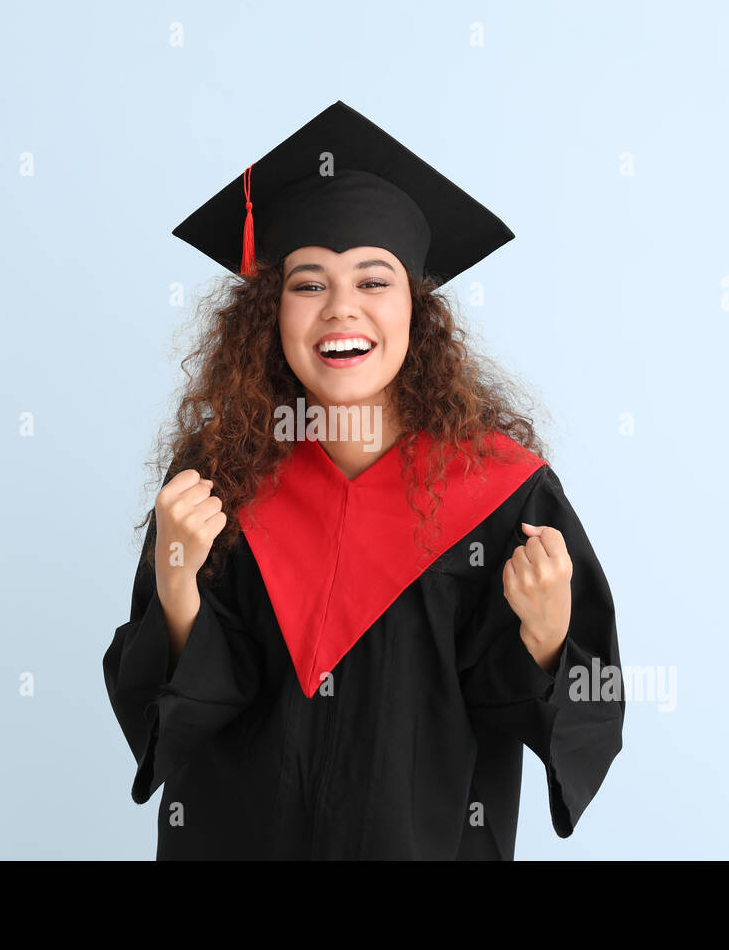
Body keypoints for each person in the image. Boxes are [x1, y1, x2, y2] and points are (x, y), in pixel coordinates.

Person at [103, 100, 623, 859]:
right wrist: (177, 585)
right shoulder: (219, 486)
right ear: (269, 312)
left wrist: (547, 640)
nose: (341, 308)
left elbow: (583, 711)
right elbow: (173, 719)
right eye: (308, 284)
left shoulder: (502, 494)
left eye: (375, 281)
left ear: (417, 309)